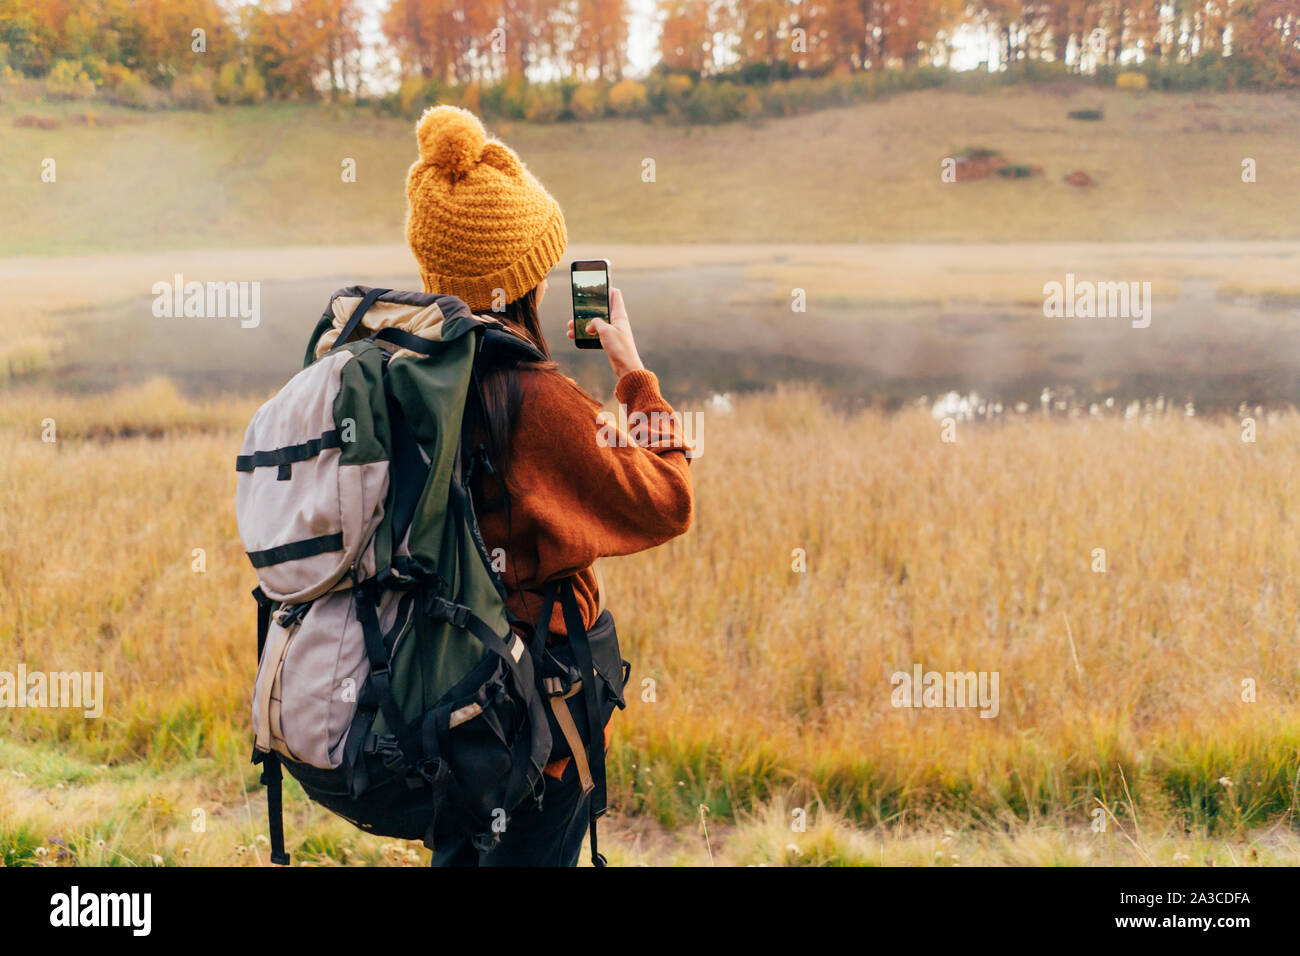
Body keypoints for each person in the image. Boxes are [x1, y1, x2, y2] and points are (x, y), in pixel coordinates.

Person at [404, 105, 694, 865]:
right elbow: (670, 498)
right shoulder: (538, 401)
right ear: (528, 279)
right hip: (538, 721)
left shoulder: (407, 383)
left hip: (440, 702)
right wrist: (633, 376)